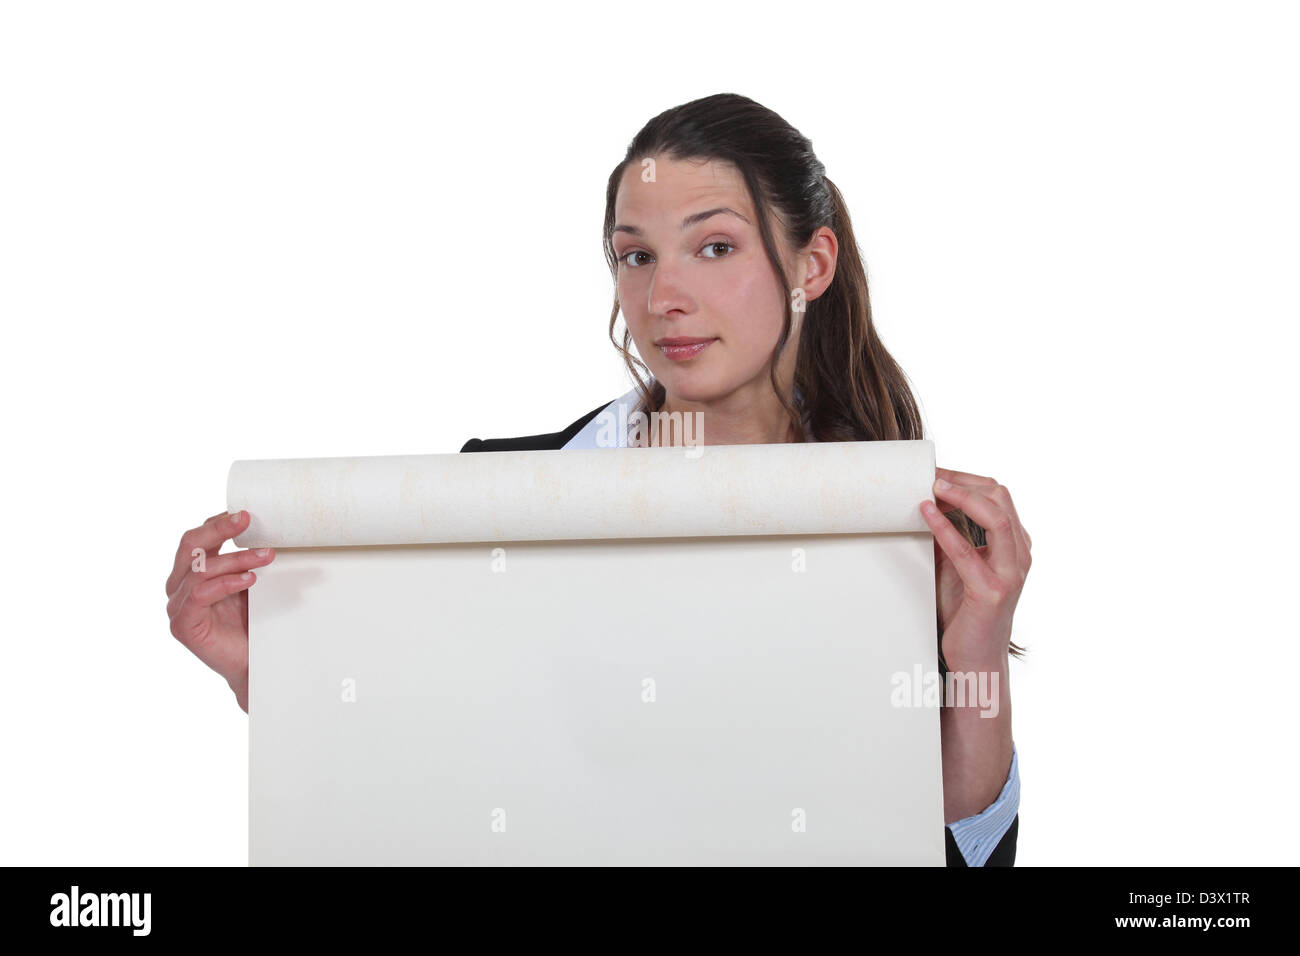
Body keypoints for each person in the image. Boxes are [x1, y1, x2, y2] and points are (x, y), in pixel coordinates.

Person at [166, 93, 1032, 866]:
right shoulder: (484, 498)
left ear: (811, 265)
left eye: (715, 246)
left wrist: (977, 652)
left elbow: (956, 854)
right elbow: (421, 784)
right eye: (636, 256)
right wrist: (268, 675)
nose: (664, 297)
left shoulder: (904, 527)